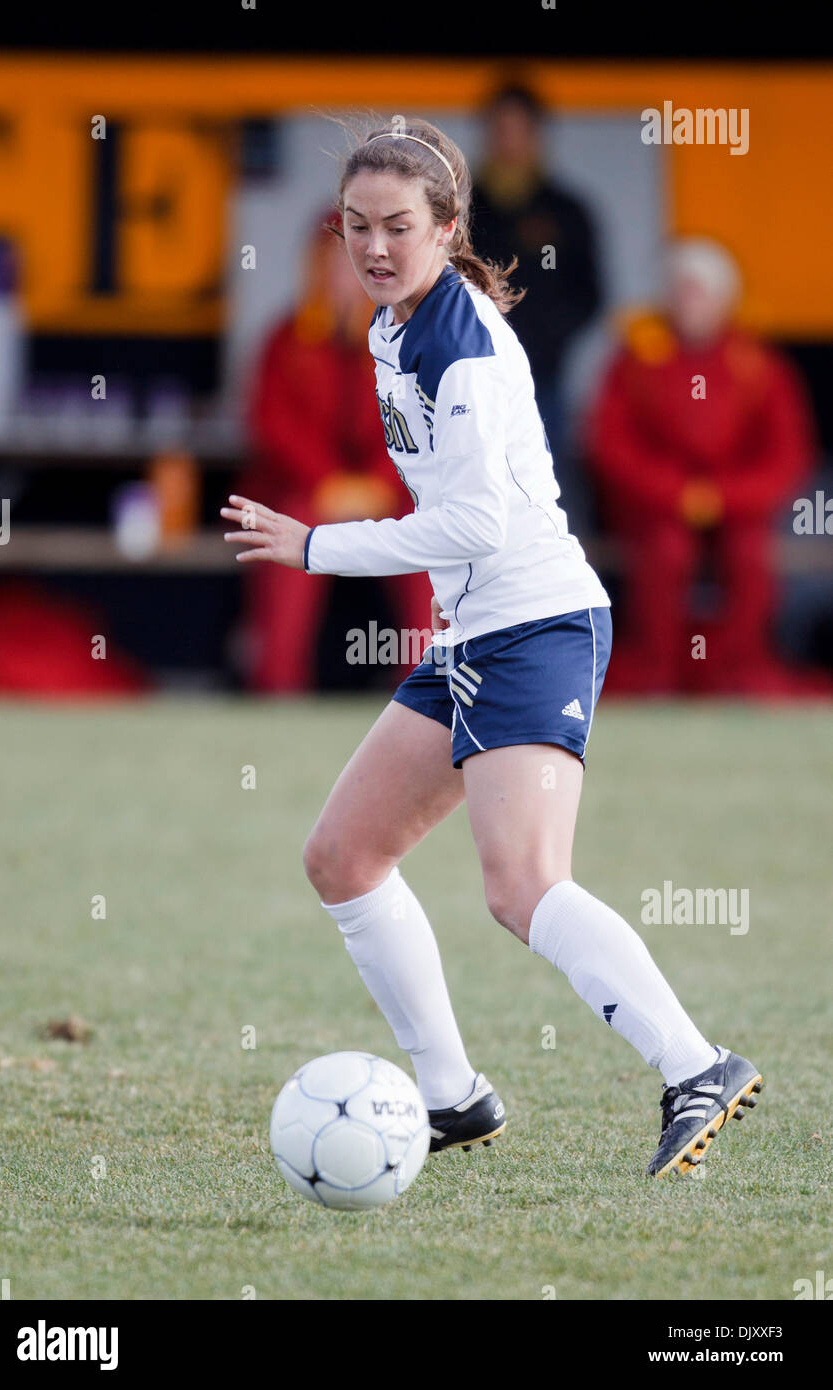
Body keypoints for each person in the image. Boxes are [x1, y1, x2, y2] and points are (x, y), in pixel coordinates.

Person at [221, 119, 763, 1177]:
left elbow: (473, 523)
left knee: (520, 884)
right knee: (342, 856)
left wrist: (313, 544)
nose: (373, 248)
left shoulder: (459, 342)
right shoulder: (389, 326)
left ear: (446, 227)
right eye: (354, 227)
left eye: (397, 228)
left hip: (536, 623)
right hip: (475, 631)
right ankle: (451, 1098)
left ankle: (695, 1063)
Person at [588, 237, 817, 695]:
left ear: (724, 299)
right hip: (654, 509)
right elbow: (610, 443)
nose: (689, 301)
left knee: (750, 554)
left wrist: (723, 497)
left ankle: (737, 671)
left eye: (700, 291)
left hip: (737, 509)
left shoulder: (758, 363)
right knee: (667, 551)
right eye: (681, 289)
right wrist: (674, 493)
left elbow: (787, 453)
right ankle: (659, 670)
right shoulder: (636, 357)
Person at [237, 205, 433, 692]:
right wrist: (328, 481)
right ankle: (278, 685)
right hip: (312, 493)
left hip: (387, 492)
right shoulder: (288, 339)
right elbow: (271, 424)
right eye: (333, 262)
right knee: (282, 533)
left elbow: (417, 423)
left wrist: (376, 483)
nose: (343, 275)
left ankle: (429, 682)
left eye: (353, 262)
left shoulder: (402, 337)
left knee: (432, 535)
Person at [470, 83, 602, 528]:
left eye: (519, 129)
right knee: (473, 482)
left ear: (538, 135)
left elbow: (590, 296)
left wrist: (544, 342)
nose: (509, 140)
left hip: (545, 379)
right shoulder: (461, 206)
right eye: (500, 129)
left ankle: (561, 591)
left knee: (549, 486)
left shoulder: (567, 211)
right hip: (471, 376)